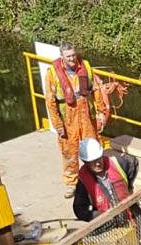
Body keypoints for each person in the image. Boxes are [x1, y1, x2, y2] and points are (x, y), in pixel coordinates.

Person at [44, 42, 114, 196]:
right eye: (68, 56)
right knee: (69, 152)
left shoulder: (86, 68)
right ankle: (71, 183)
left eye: (74, 55)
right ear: (62, 57)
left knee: (93, 148)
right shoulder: (52, 74)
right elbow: (50, 101)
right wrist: (58, 124)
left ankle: (97, 177)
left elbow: (96, 90)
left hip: (85, 114)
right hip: (68, 118)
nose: (72, 59)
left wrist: (101, 113)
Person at [73, 138, 138, 223]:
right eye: (93, 161)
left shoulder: (118, 163)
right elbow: (79, 209)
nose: (97, 163)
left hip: (130, 214)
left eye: (98, 158)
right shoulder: (83, 182)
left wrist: (130, 188)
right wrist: (100, 216)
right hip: (108, 224)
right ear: (85, 162)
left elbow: (133, 164)